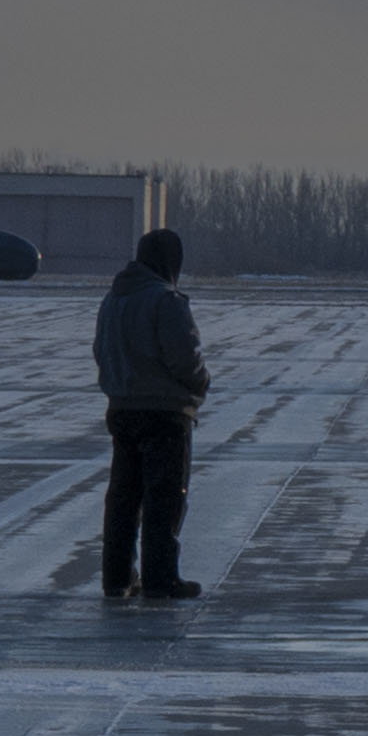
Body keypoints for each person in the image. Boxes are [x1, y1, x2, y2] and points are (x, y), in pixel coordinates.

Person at [92, 228, 211, 601]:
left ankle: (117, 576)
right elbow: (184, 357)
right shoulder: (167, 301)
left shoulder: (113, 299)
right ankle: (161, 578)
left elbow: (100, 350)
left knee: (123, 497)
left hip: (123, 409)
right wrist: (200, 383)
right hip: (165, 413)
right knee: (164, 498)